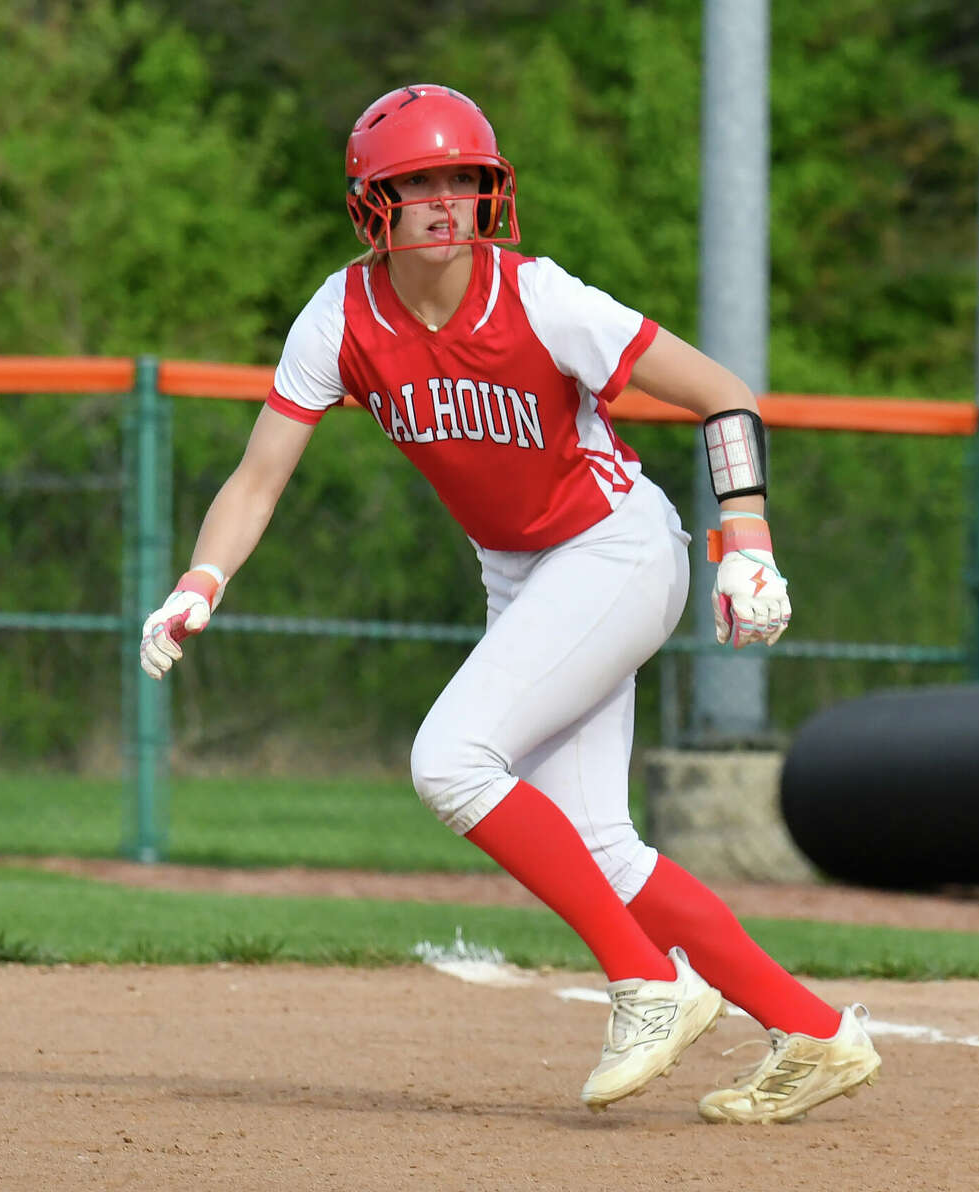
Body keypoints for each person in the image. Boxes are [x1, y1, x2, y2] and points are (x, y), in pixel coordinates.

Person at [140, 83, 881, 1122]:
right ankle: (811, 1032)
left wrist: (745, 539)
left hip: (617, 547)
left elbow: (723, 391)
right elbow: (259, 475)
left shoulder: (540, 297)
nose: (446, 200)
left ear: (492, 191)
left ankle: (648, 982)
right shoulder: (342, 314)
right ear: (373, 204)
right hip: (524, 571)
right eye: (418, 182)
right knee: (602, 845)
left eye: (464, 178)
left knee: (449, 759)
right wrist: (199, 580)